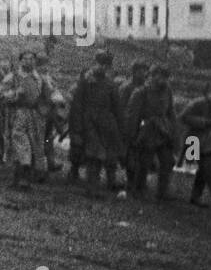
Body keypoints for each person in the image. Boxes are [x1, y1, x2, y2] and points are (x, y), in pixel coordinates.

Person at [69, 50, 125, 194]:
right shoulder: (86, 81)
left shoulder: (110, 84)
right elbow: (77, 106)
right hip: (89, 123)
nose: (102, 67)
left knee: (109, 154)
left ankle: (108, 183)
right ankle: (92, 187)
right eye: (100, 63)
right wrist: (77, 128)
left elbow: (117, 107)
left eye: (105, 65)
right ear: (95, 63)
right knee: (93, 155)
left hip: (107, 124)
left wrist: (120, 127)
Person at [0, 50, 49, 188]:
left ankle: (25, 180)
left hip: (35, 116)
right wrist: (14, 94)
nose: (28, 61)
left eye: (31, 59)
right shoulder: (13, 77)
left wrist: (47, 105)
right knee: (20, 146)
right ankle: (18, 179)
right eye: (25, 59)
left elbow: (47, 94)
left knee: (34, 146)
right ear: (20, 61)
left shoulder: (40, 78)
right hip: (17, 114)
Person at [125, 64, 178, 200]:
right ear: (152, 76)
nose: (164, 80)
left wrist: (174, 132)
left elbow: (171, 113)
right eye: (161, 76)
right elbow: (132, 116)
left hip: (163, 130)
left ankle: (163, 191)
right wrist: (132, 136)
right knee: (144, 162)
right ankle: (138, 188)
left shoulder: (167, 91)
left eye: (166, 77)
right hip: (147, 130)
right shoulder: (141, 92)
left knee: (168, 161)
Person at [117, 61, 149, 187]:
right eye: (140, 71)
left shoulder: (146, 88)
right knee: (129, 154)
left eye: (145, 71)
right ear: (134, 72)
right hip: (129, 124)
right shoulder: (126, 87)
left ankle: (138, 182)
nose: (143, 74)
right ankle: (130, 181)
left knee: (140, 154)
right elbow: (121, 107)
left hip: (141, 124)